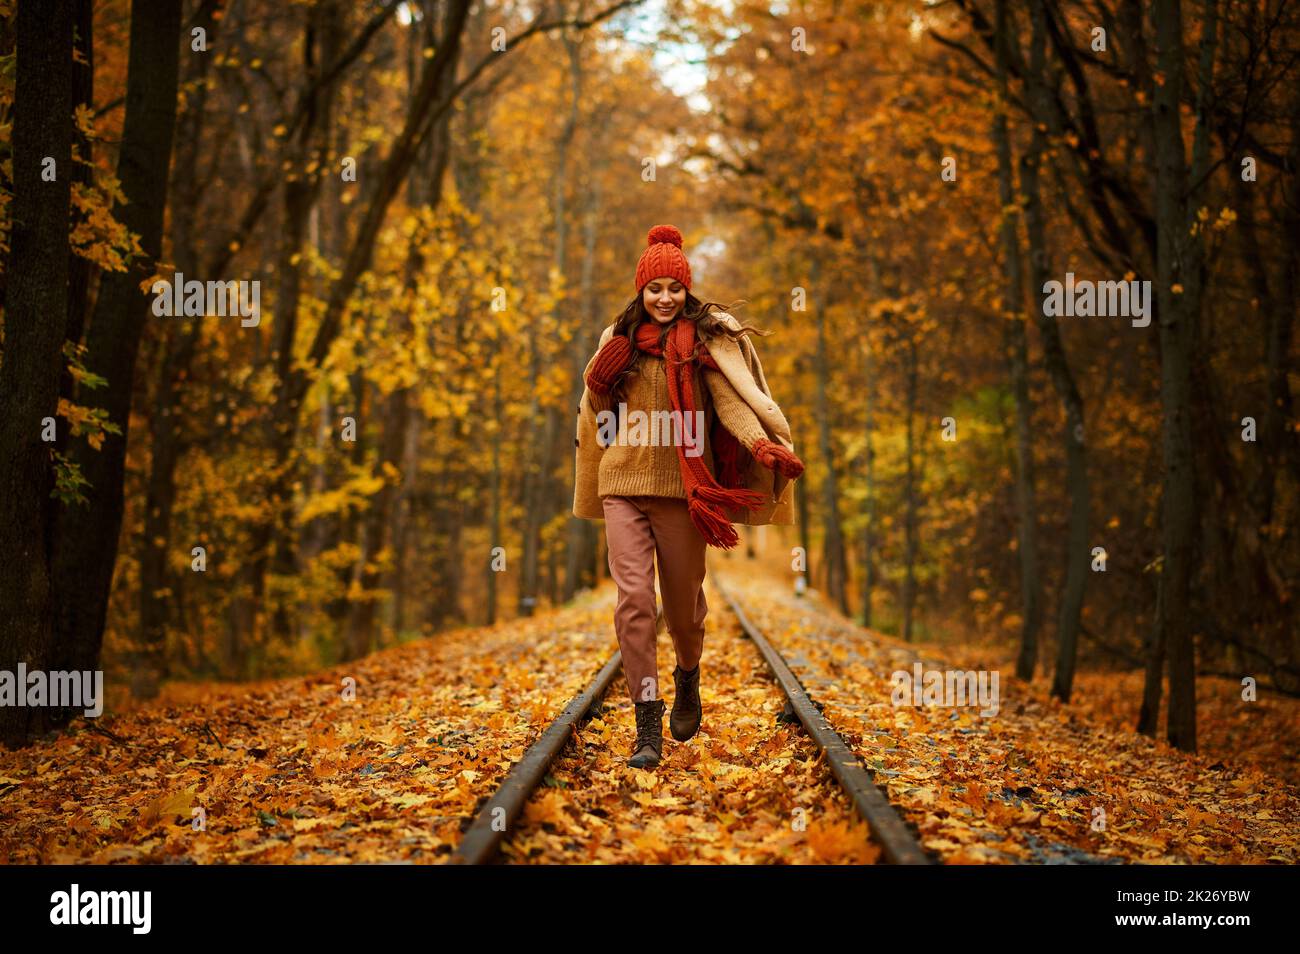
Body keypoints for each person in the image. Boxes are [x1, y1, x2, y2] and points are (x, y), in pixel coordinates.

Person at [572, 224, 806, 768]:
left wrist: (763, 447)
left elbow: (733, 406)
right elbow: (600, 424)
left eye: (673, 288)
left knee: (683, 612)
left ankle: (687, 674)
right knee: (634, 602)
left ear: (686, 290)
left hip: (683, 492)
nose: (664, 298)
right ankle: (646, 725)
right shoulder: (618, 342)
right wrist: (598, 382)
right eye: (654, 288)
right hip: (622, 486)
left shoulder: (705, 343)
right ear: (640, 291)